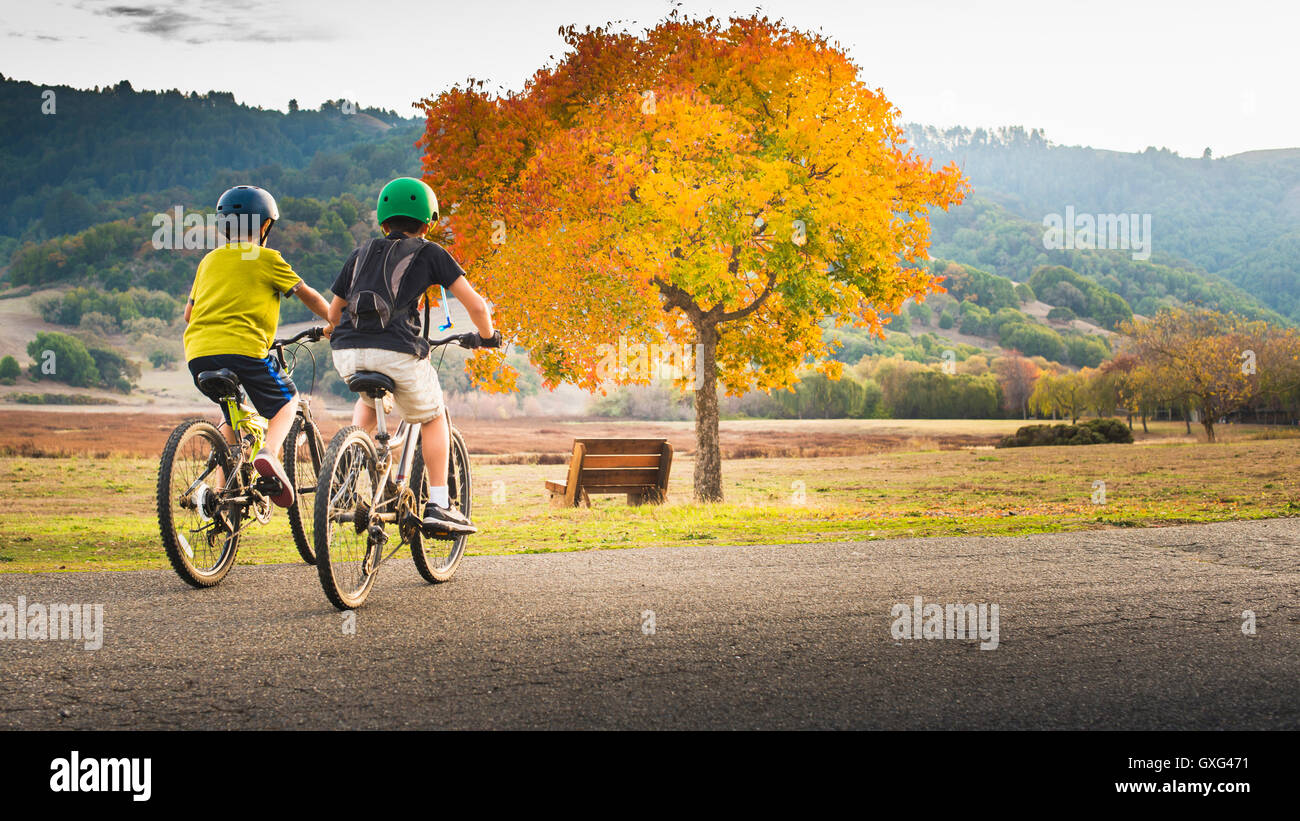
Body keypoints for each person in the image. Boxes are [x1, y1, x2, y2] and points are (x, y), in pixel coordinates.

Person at [328, 177, 499, 535]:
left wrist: (338, 332)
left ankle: (344, 474)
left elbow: (334, 313)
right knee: (435, 416)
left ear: (383, 220)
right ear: (428, 221)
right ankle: (439, 504)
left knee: (369, 400)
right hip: (396, 351)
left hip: (347, 353)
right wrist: (488, 337)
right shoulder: (430, 252)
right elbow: (477, 306)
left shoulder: (360, 253)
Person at [184, 185, 333, 507]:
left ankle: (225, 496)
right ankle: (269, 455)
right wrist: (337, 321)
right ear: (266, 225)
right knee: (287, 401)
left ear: (224, 226)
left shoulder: (209, 261)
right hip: (244, 350)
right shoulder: (266, 258)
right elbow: (306, 293)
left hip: (197, 353)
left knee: (231, 414)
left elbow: (188, 314)